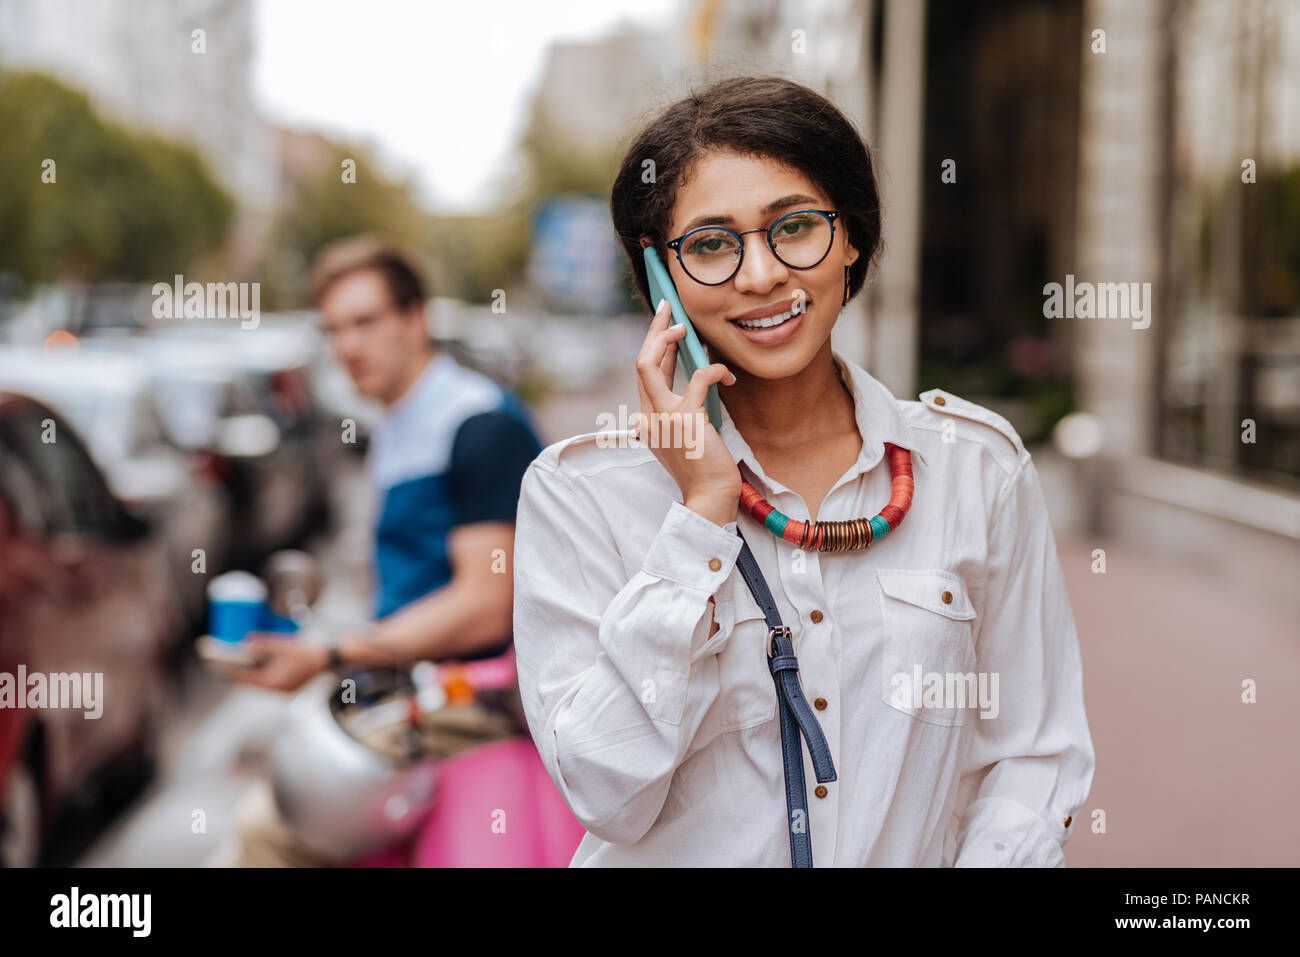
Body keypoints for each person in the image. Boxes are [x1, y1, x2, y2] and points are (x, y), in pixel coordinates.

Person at [511, 76, 1095, 867]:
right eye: (712, 244)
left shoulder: (975, 467)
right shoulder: (579, 493)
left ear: (850, 236)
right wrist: (700, 518)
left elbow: (1032, 752)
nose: (761, 275)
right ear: (660, 279)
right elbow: (606, 789)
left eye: (793, 227)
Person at [214, 236, 543, 866]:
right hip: (414, 690)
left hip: (473, 702)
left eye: (365, 322)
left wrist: (329, 654)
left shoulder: (477, 423)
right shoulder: (400, 418)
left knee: (270, 829)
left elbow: (485, 605)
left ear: (416, 319)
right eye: (334, 329)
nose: (348, 347)